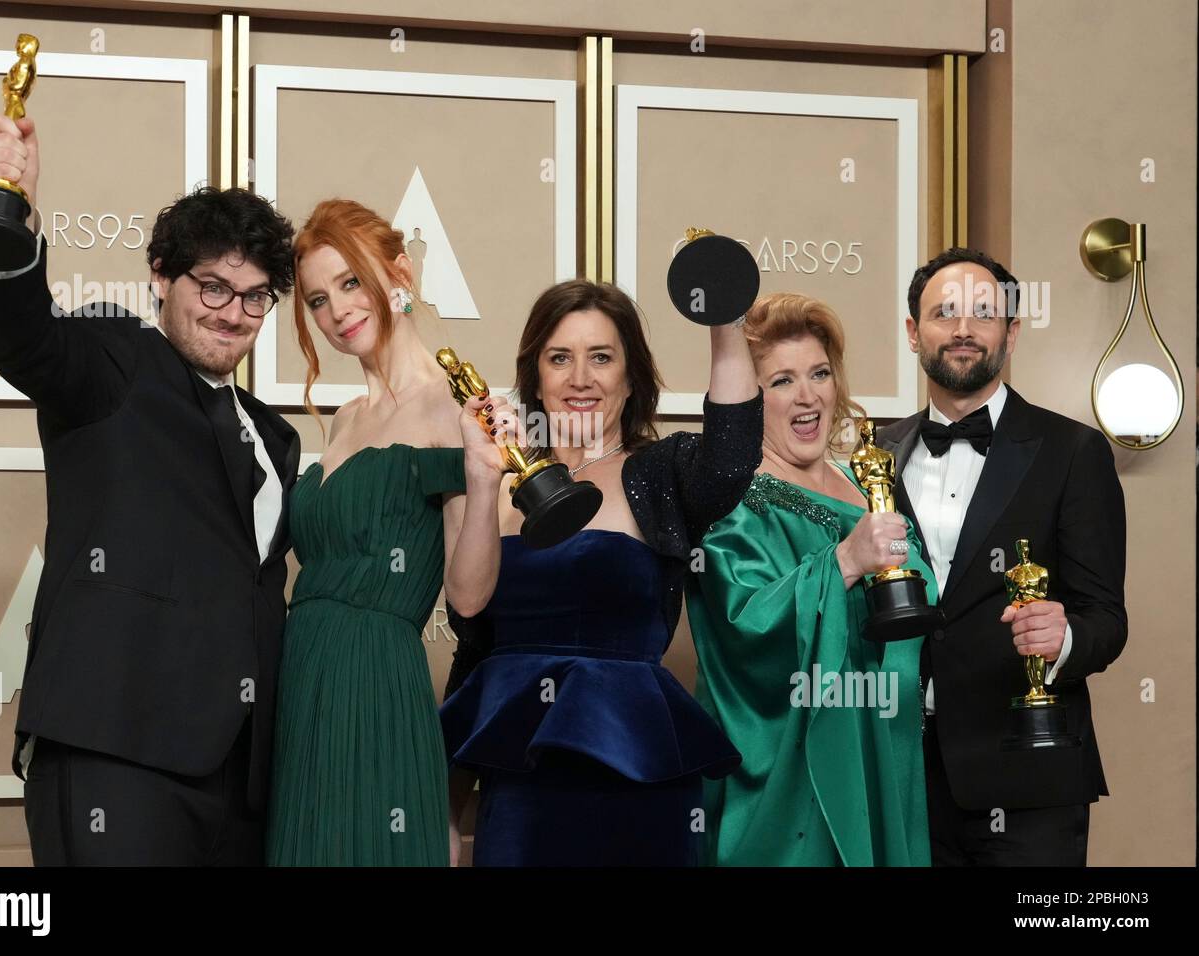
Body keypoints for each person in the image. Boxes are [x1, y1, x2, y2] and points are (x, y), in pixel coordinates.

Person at [0, 113, 300, 864]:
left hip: (244, 778)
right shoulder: (115, 364)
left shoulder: (277, 436)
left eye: (254, 297)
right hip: (115, 747)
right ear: (161, 275)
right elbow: (24, 337)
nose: (231, 312)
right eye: (213, 285)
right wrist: (5, 204)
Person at [440, 279, 762, 866]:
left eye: (602, 358)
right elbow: (467, 617)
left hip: (637, 776)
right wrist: (485, 482)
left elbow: (733, 456)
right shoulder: (487, 479)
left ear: (631, 376)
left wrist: (724, 313)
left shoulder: (659, 473)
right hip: (523, 783)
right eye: (559, 358)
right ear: (534, 376)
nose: (580, 378)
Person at [878, 247, 1128, 866]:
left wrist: (1063, 637)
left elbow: (1107, 619)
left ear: (1011, 332)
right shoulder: (873, 455)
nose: (963, 330)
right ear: (914, 333)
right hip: (898, 770)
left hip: (1028, 774)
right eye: (944, 314)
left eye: (984, 315)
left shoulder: (1074, 451)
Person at [265, 199, 488, 865]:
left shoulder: (455, 407)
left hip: (376, 686)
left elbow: (470, 599)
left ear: (400, 276)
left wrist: (482, 481)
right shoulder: (342, 417)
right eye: (316, 299)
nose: (336, 312)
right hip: (300, 683)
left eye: (350, 282)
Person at [686, 293, 933, 866]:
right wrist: (843, 563)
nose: (807, 395)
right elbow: (741, 628)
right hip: (795, 776)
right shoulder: (735, 500)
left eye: (819, 373)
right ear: (750, 400)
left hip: (885, 748)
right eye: (781, 381)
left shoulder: (864, 480)